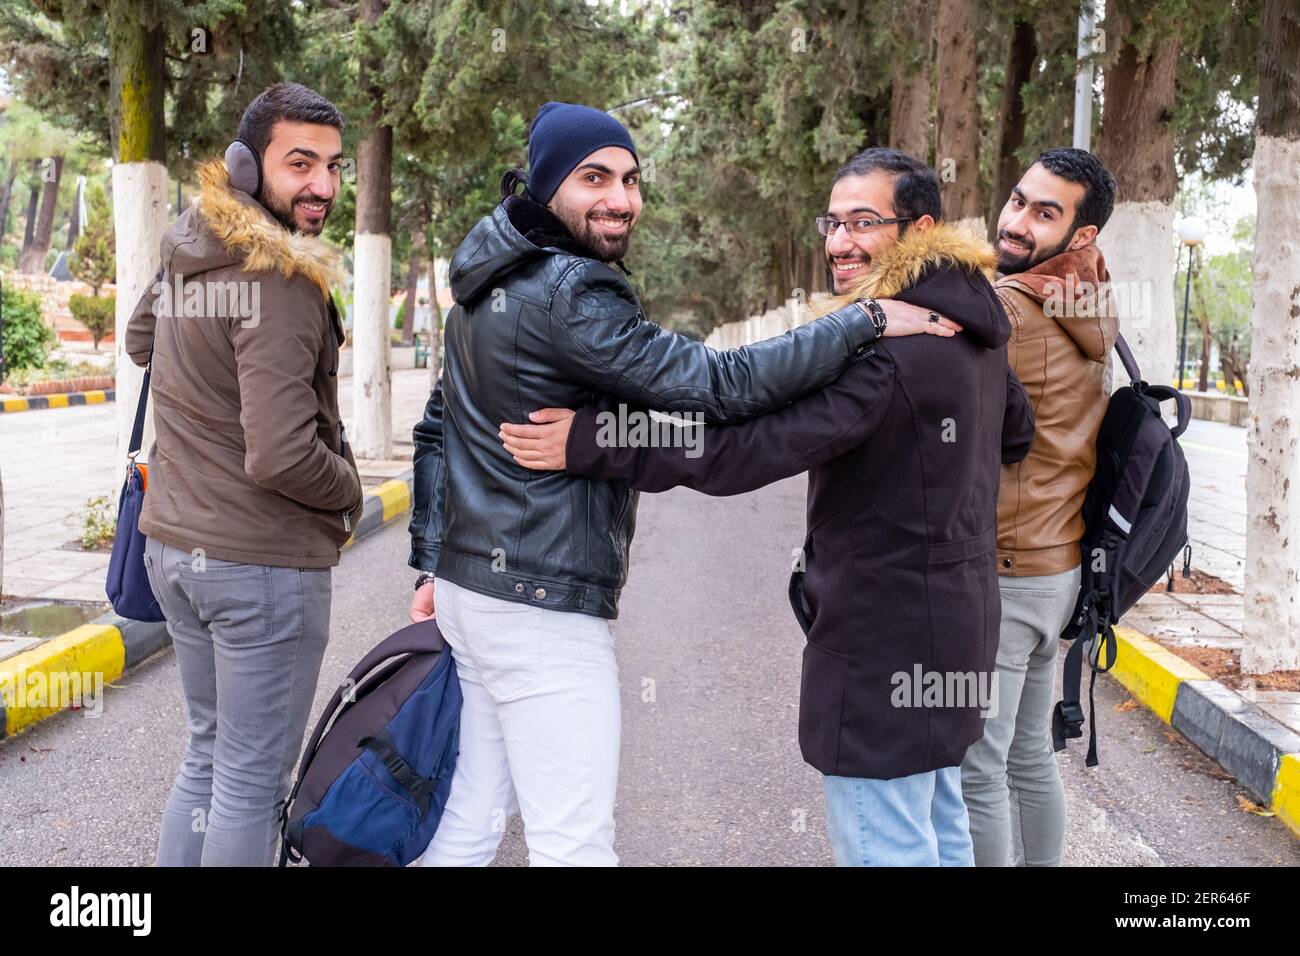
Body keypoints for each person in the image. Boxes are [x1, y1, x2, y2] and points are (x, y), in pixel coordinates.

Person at [409, 108, 955, 867]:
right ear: (545, 183)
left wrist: (434, 557)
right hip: (540, 604)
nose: (621, 199)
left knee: (469, 823)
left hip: (475, 593)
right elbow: (719, 384)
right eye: (594, 178)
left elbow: (439, 425)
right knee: (574, 844)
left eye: (630, 180)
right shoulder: (570, 289)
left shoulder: (486, 276)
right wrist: (861, 319)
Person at [501, 148, 1035, 866]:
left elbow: (745, 450)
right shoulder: (975, 331)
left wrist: (596, 440)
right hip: (958, 631)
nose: (839, 242)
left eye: (864, 223)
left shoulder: (893, 356)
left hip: (886, 645)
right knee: (938, 829)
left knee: (889, 845)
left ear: (920, 229)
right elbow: (1016, 432)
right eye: (834, 222)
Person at [125, 82, 363, 866]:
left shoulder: (192, 246)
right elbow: (283, 454)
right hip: (261, 566)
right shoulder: (281, 278)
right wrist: (351, 491)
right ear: (247, 166)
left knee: (208, 757)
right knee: (252, 784)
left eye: (332, 166)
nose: (323, 186)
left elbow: (140, 342)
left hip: (178, 554)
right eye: (301, 164)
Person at [959, 147, 1119, 867]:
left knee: (977, 770)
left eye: (1045, 213)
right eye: (1019, 200)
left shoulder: (1008, 309)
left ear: (1081, 235)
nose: (1017, 221)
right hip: (1054, 569)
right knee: (1028, 757)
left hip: (1006, 566)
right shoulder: (1086, 298)